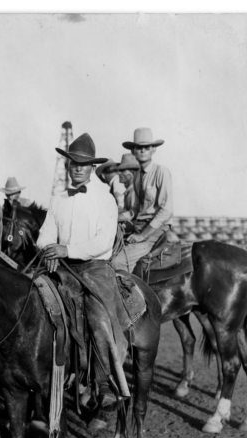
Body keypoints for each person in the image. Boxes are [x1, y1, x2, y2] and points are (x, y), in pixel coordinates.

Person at [37, 133, 127, 408]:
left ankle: (102, 380)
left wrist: (67, 250)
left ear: (91, 167)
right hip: (61, 266)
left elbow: (103, 241)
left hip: (95, 266)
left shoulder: (105, 198)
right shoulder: (58, 199)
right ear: (67, 164)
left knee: (97, 309)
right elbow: (43, 235)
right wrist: (50, 250)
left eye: (83, 164)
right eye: (73, 162)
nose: (77, 167)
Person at [110, 127, 173, 272]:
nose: (143, 151)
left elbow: (167, 210)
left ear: (153, 150)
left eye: (147, 147)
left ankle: (132, 294)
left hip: (156, 229)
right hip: (140, 226)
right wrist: (114, 218)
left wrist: (142, 235)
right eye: (139, 148)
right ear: (133, 151)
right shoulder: (138, 176)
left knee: (118, 263)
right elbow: (135, 210)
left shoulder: (161, 172)